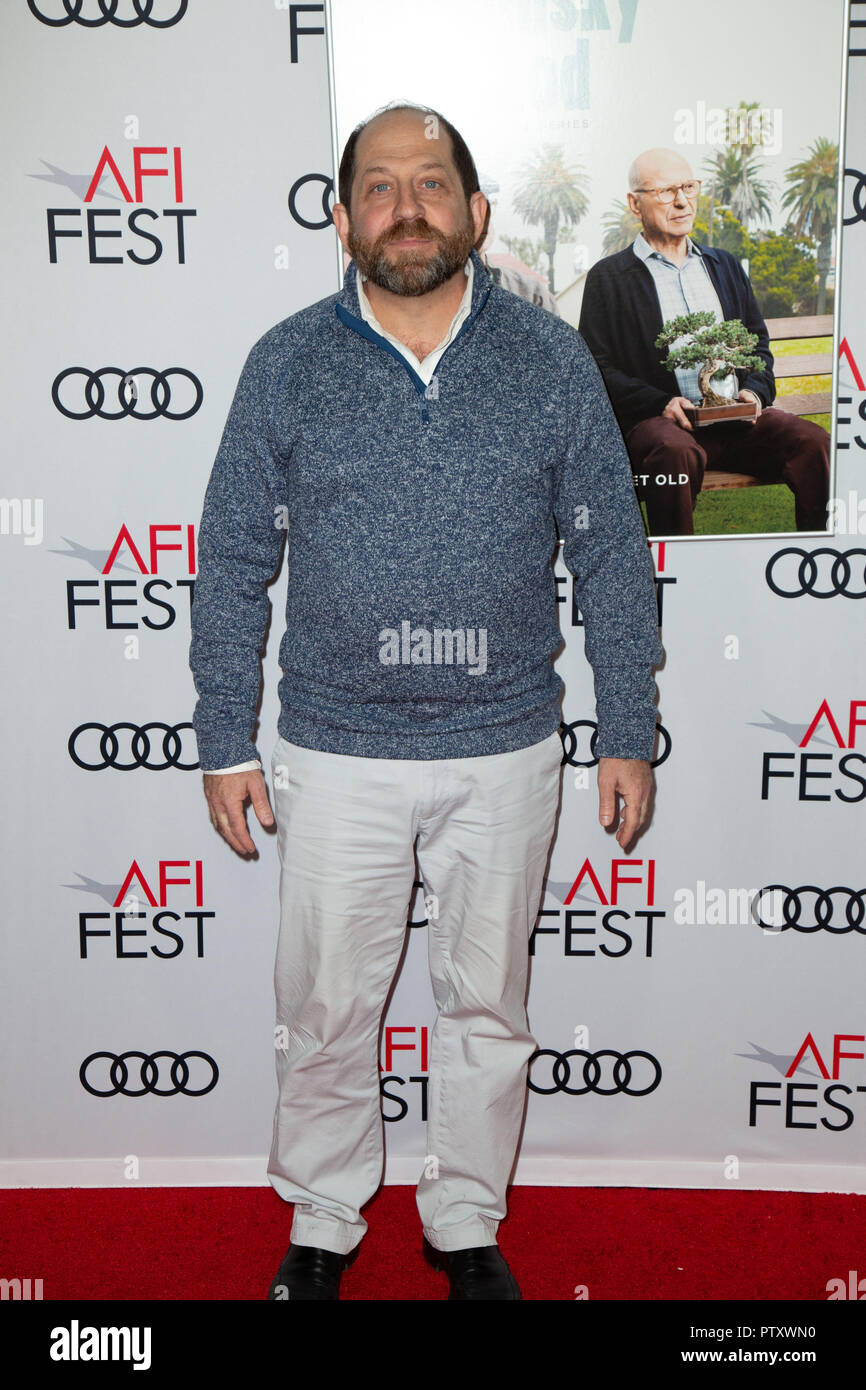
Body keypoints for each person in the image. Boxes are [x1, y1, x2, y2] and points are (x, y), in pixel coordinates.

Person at [189, 101, 662, 1301]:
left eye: (433, 182)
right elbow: (235, 554)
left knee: (485, 1007)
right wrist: (220, 739)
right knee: (328, 1006)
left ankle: (460, 1221)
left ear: (476, 211)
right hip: (333, 751)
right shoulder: (285, 360)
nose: (408, 206)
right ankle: (323, 1218)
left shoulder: (550, 360)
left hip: (504, 747)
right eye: (382, 186)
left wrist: (623, 729)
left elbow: (610, 554)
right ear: (344, 219)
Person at [578, 147, 830, 536]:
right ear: (634, 203)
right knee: (673, 453)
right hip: (663, 427)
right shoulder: (609, 278)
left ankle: (816, 559)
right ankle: (677, 576)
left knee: (813, 442)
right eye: (665, 191)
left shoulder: (724, 266)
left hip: (736, 421)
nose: (681, 201)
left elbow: (757, 345)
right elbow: (598, 368)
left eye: (688, 187)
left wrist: (755, 393)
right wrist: (660, 403)